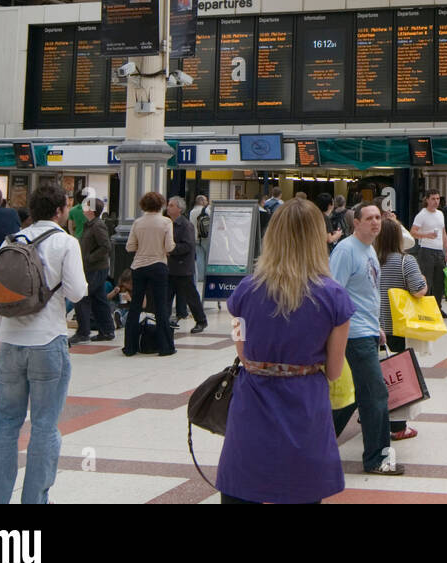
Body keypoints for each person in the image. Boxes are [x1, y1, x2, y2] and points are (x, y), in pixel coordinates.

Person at [216, 198, 353, 504]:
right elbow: (334, 370)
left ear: (272, 236)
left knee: (242, 489)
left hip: (252, 404)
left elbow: (242, 350)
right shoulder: (334, 298)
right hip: (304, 407)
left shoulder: (245, 290)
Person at [0, 184, 87, 504]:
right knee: (44, 426)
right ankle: (35, 500)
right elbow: (77, 291)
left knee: (5, 426)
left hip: (11, 343)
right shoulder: (65, 242)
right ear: (59, 210)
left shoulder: (11, 241)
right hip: (47, 342)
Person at [331, 202, 403, 475]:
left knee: (352, 398)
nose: (376, 223)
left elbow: (368, 294)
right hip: (353, 335)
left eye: (378, 218)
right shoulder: (346, 250)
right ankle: (377, 459)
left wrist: (378, 327)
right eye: (369, 218)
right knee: (375, 395)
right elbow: (333, 293)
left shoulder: (369, 249)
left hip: (368, 331)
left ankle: (314, 444)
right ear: (356, 223)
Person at [373, 217, 427, 440]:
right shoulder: (406, 261)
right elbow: (418, 289)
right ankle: (398, 426)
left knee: (376, 374)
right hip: (397, 327)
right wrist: (423, 281)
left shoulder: (371, 260)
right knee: (398, 376)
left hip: (373, 327)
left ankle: (371, 418)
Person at [123, 191, 176, 357]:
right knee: (161, 306)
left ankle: (130, 347)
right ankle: (165, 347)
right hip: (158, 265)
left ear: (143, 205)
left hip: (139, 266)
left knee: (135, 306)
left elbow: (129, 247)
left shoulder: (138, 223)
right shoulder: (166, 222)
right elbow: (169, 247)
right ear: (160, 205)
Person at [71, 198, 114, 342]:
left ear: (92, 210)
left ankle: (83, 332)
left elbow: (105, 246)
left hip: (95, 268)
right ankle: (107, 331)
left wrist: (89, 258)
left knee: (82, 297)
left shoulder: (97, 226)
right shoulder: (90, 225)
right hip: (93, 267)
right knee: (99, 299)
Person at [166, 196, 207, 334]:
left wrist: (171, 250)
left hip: (183, 267)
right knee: (166, 295)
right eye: (168, 205)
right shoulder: (167, 223)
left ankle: (201, 321)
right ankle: (164, 320)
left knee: (191, 296)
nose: (168, 207)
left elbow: (188, 246)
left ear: (179, 209)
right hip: (170, 267)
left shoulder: (185, 225)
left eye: (171, 205)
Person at [411, 191, 447, 318]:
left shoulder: (440, 214)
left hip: (439, 251)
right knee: (427, 282)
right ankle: (425, 310)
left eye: (438, 199)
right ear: (427, 200)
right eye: (433, 199)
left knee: (439, 282)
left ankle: (438, 308)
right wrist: (426, 235)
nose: (436, 201)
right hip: (426, 250)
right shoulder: (422, 215)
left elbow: (443, 232)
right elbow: (413, 232)